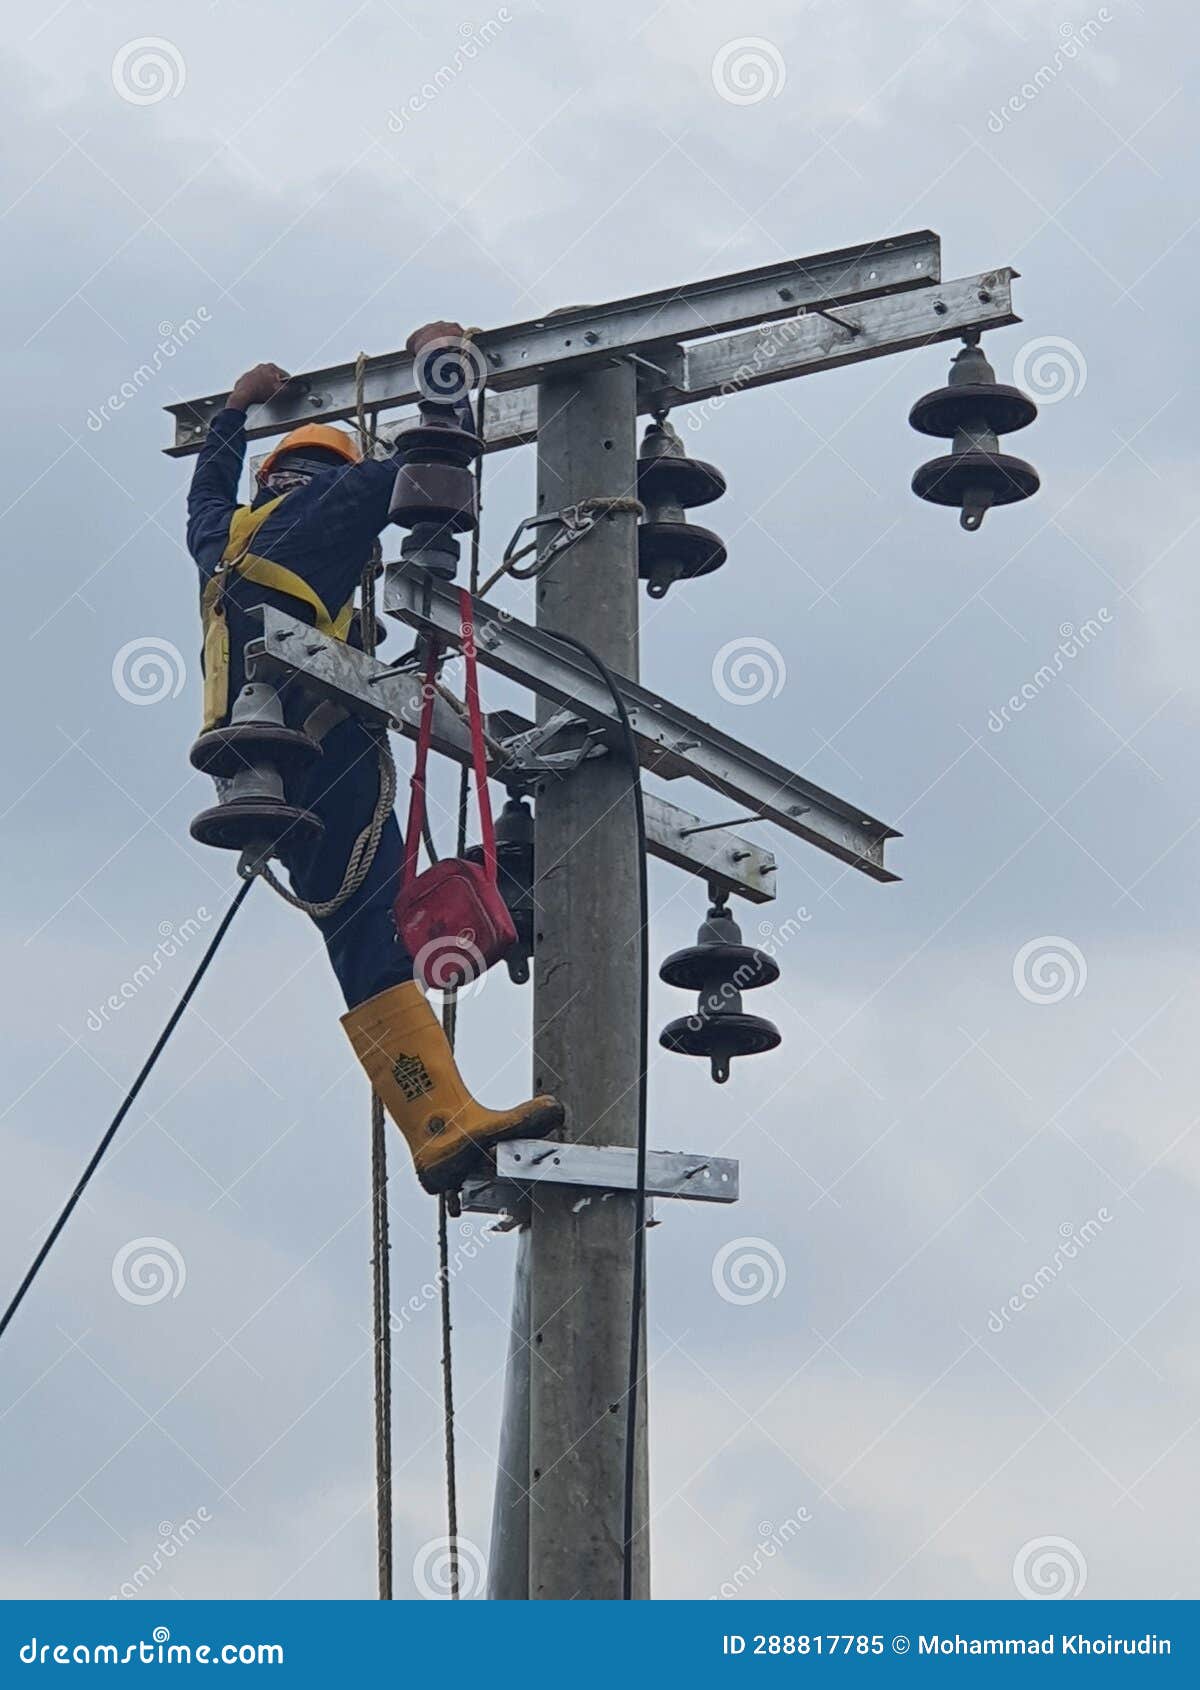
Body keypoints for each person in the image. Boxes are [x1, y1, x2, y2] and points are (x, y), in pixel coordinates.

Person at [185, 326, 562, 1193]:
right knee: (371, 932)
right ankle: (441, 1121)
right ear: (316, 478)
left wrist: (235, 407)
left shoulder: (225, 539)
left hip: (263, 770)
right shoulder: (324, 511)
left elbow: (205, 491)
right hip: (325, 756)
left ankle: (443, 1111)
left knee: (369, 926)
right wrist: (440, 382)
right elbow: (407, 470)